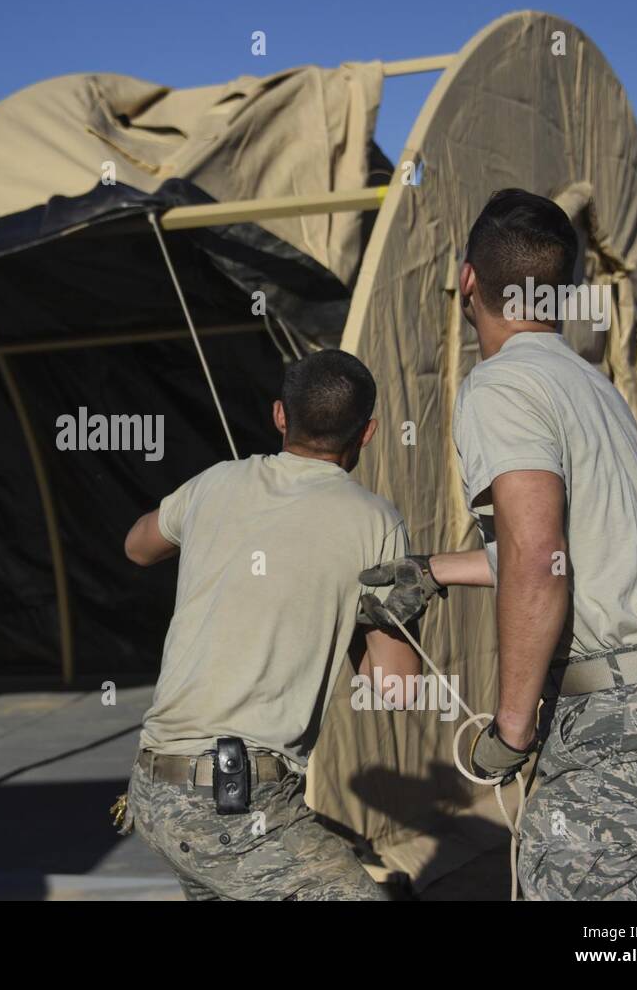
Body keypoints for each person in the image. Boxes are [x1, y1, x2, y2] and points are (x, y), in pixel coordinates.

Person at [360, 188, 637, 900]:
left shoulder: (501, 386)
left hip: (626, 733)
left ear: (468, 280)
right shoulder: (590, 385)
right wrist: (434, 569)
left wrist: (510, 726)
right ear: (561, 291)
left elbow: (537, 557)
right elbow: (569, 551)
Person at [120, 349, 419, 901]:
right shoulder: (376, 520)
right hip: (236, 804)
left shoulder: (214, 482)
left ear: (280, 416)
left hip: (154, 791)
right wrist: (387, 602)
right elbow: (394, 687)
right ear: (371, 431)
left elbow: (137, 546)